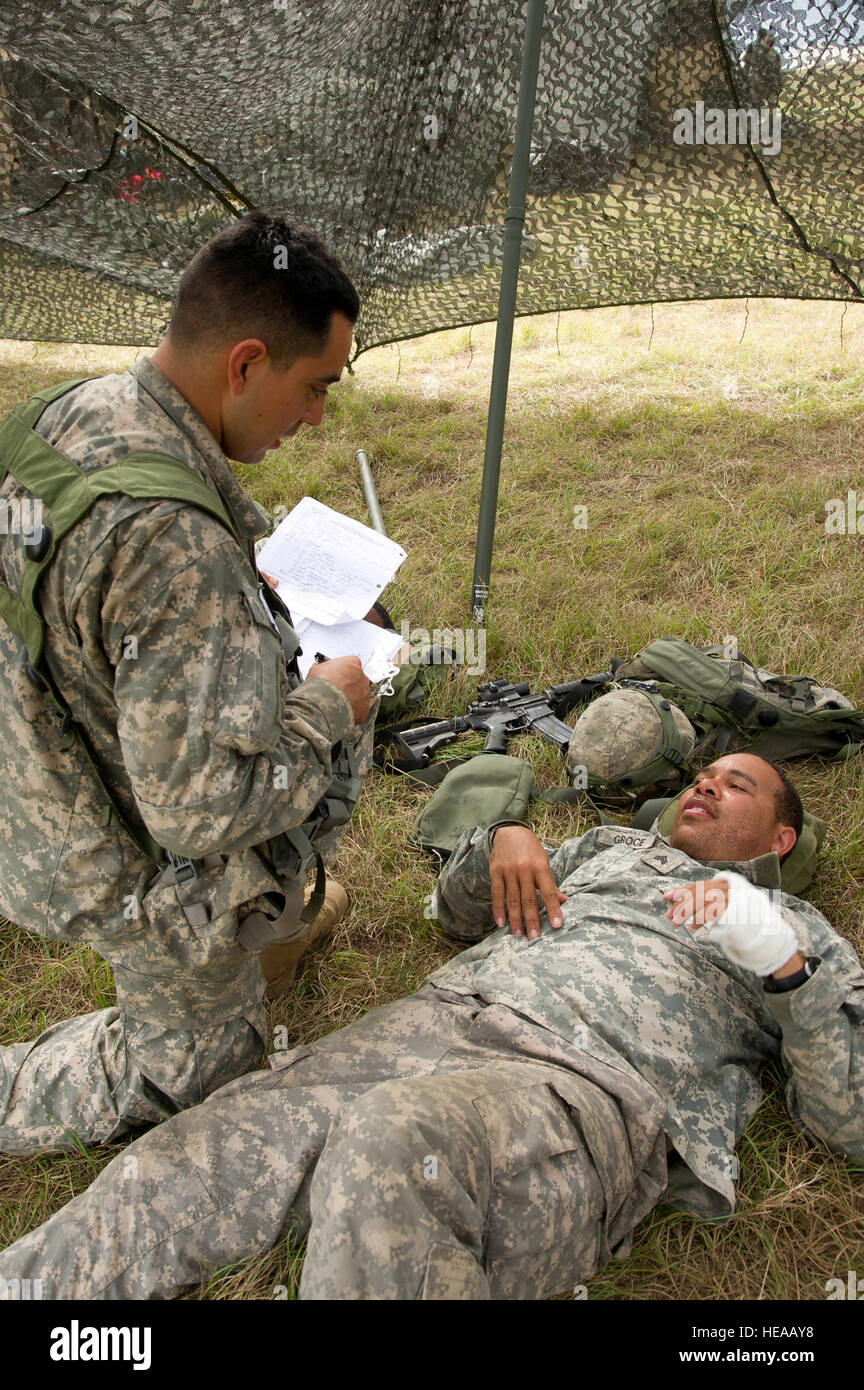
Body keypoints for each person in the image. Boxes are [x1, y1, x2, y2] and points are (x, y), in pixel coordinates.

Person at [1, 753, 861, 1300]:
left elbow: (847, 1120)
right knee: (178, 1163)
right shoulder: (611, 848)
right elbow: (456, 914)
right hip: (427, 1026)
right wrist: (505, 839)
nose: (705, 783)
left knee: (395, 1143)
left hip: (575, 1089)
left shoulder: (802, 938)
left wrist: (779, 958)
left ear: (780, 836)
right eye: (703, 774)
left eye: (736, 783)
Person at [0, 213, 376, 1157]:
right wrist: (335, 701)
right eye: (315, 388)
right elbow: (197, 814)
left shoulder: (77, 411)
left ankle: (270, 926)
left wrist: (247, 571)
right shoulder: (174, 554)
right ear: (246, 363)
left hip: (32, 741)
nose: (318, 418)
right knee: (198, 1082)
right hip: (78, 838)